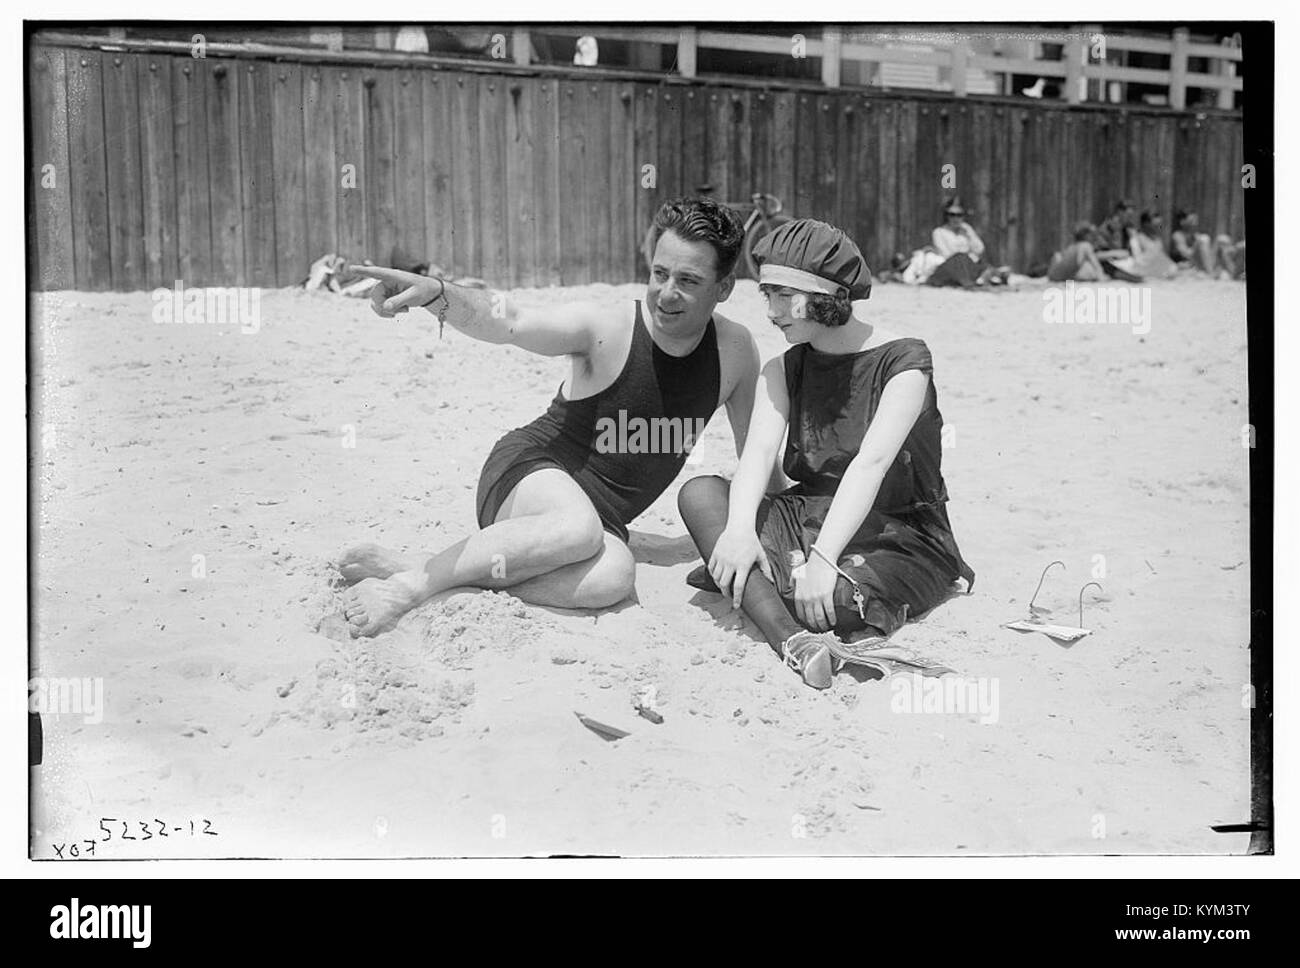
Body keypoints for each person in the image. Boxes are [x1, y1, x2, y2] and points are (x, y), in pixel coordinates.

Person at [336, 197, 767, 636]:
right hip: (528, 476)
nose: (666, 293)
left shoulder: (734, 351)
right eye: (659, 274)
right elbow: (514, 321)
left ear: (726, 287)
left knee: (614, 577)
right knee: (577, 528)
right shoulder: (609, 326)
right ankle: (412, 585)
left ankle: (444, 570)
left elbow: (756, 453)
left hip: (601, 522)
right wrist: (439, 295)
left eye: (689, 280)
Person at [677, 219, 974, 689]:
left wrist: (824, 558)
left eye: (781, 295)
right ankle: (794, 641)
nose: (771, 311)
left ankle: (767, 588)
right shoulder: (783, 368)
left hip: (896, 532)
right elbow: (757, 453)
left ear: (826, 295)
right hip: (811, 511)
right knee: (700, 494)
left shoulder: (904, 363)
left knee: (832, 594)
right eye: (765, 295)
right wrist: (737, 531)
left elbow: (871, 465)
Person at [925, 198, 1009, 288]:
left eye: (959, 215)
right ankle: (980, 279)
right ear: (947, 216)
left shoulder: (966, 230)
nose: (955, 218)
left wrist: (969, 234)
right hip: (953, 265)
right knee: (961, 259)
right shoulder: (939, 232)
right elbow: (946, 254)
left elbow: (980, 249)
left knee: (984, 265)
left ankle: (987, 277)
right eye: (952, 215)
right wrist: (966, 254)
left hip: (969, 264)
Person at [1171, 209, 1245, 279]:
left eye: (1195, 220)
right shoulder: (1178, 235)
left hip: (1207, 263)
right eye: (1192, 220)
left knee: (1222, 239)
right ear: (1182, 222)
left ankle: (1233, 271)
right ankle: (1211, 273)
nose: (1195, 223)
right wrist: (1198, 244)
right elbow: (1187, 254)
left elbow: (1206, 253)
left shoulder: (1195, 235)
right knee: (1204, 238)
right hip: (1193, 264)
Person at [1129, 209, 1177, 279]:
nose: (1159, 228)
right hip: (1142, 268)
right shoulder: (1136, 239)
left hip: (1155, 269)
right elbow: (1137, 259)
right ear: (1145, 224)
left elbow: (1163, 258)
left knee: (1173, 267)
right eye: (1156, 225)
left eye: (1160, 225)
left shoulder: (1157, 240)